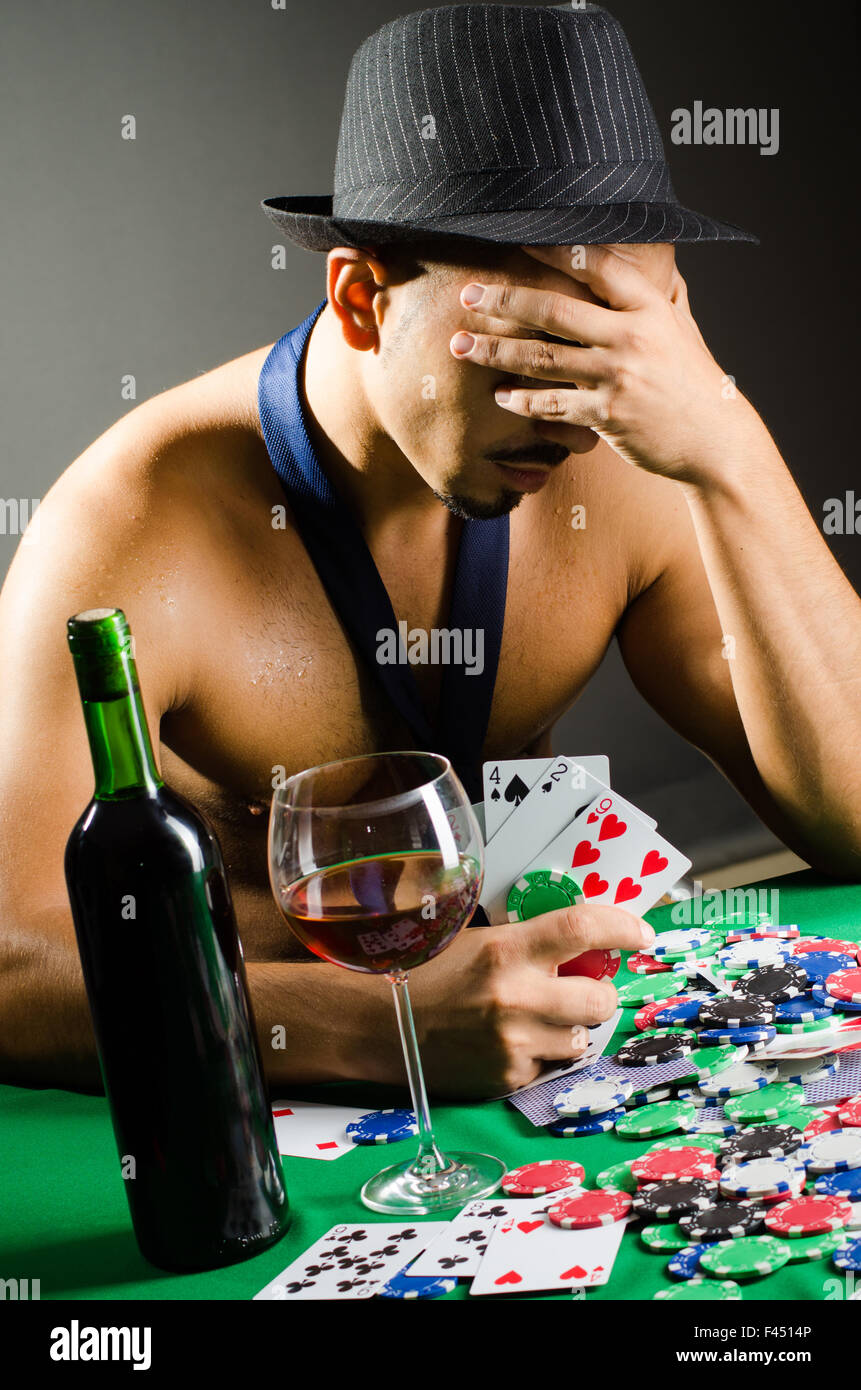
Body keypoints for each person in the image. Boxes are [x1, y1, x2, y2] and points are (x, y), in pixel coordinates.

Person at [1, 4, 859, 1097]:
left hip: (541, 1077)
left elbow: (858, 818)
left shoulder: (631, 453)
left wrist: (731, 443)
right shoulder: (130, 525)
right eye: (537, 344)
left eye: (623, 341)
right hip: (246, 1109)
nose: (576, 410)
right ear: (363, 299)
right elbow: (8, 964)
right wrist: (373, 1029)